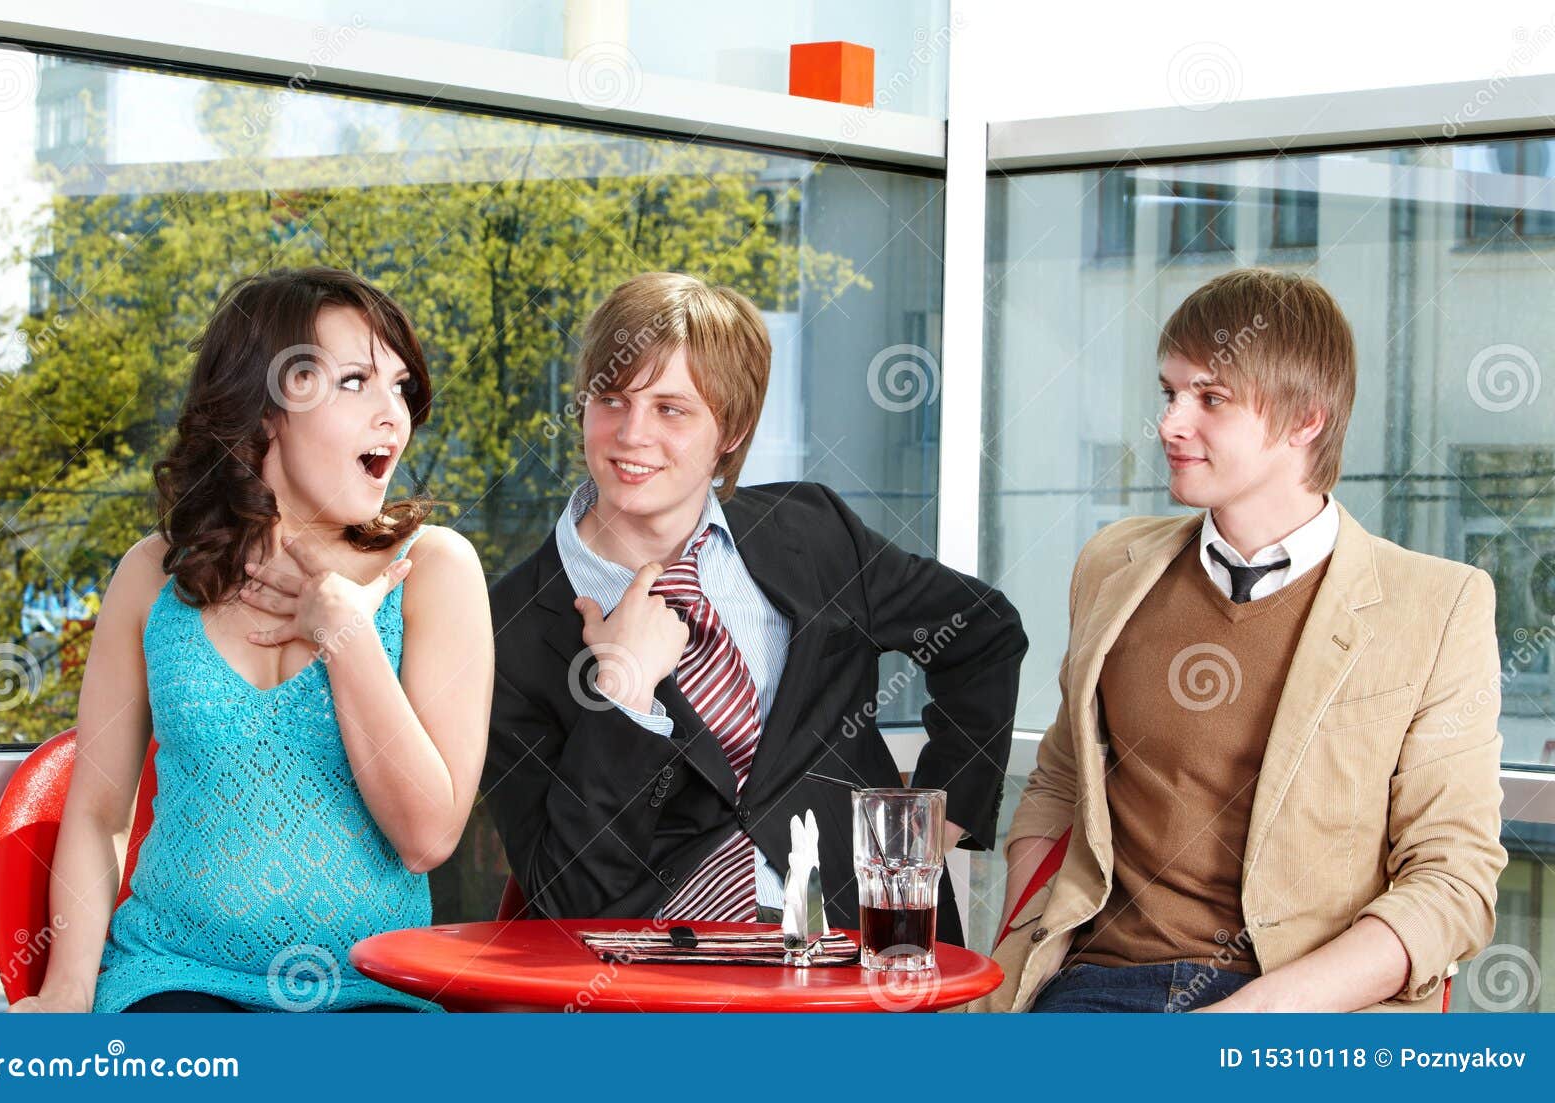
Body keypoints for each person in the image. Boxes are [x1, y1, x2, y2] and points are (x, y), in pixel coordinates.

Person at [977, 267, 1506, 1013]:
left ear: (1305, 420)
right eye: (1170, 392)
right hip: (1094, 987)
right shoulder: (1112, 566)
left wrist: (1246, 1019)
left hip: (1302, 1004)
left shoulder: (1437, 604)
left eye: (1210, 398)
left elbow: (1451, 880)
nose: (1170, 423)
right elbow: (1060, 781)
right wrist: (1024, 930)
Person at [484, 272, 1026, 944]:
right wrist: (623, 697)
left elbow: (983, 630)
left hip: (864, 952)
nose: (631, 433)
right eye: (612, 399)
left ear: (731, 428)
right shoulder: (509, 626)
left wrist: (942, 817)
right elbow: (569, 896)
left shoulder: (812, 531)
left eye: (671, 409)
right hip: (665, 983)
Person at [9, 267, 493, 1013]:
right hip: (172, 979)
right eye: (357, 381)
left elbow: (427, 836)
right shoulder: (150, 574)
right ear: (267, 410)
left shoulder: (434, 569)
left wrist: (345, 635)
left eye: (401, 386)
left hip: (372, 993)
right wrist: (65, 988)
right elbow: (99, 811)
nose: (394, 413)